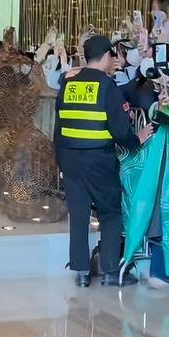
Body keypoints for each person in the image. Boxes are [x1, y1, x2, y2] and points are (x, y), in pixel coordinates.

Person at [54, 36, 153, 287]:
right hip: (99, 160)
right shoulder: (108, 86)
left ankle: (81, 271)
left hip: (70, 160)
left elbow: (58, 128)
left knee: (79, 215)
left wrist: (60, 163)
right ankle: (110, 271)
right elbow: (119, 131)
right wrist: (138, 139)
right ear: (107, 56)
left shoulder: (68, 85)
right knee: (110, 212)